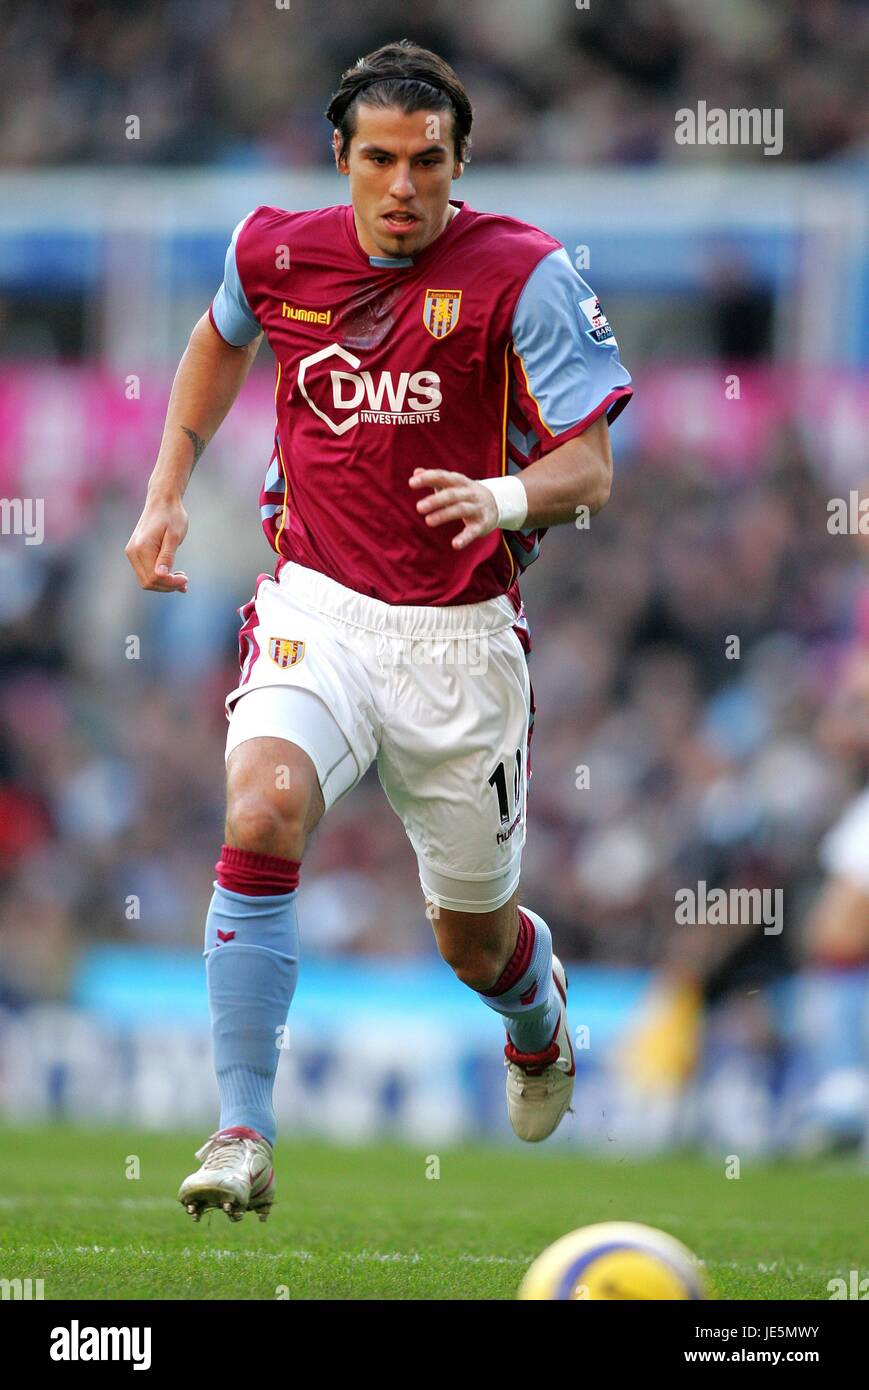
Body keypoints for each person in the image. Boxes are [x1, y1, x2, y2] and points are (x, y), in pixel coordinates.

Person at [125, 40, 632, 1222]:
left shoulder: (525, 274)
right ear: (340, 161)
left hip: (459, 642)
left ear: (460, 165)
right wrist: (164, 487)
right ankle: (242, 1126)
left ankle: (537, 1021)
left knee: (470, 938)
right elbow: (217, 337)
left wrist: (502, 497)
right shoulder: (274, 249)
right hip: (318, 605)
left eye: (429, 163)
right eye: (380, 161)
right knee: (259, 808)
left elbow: (591, 467)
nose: (404, 187)